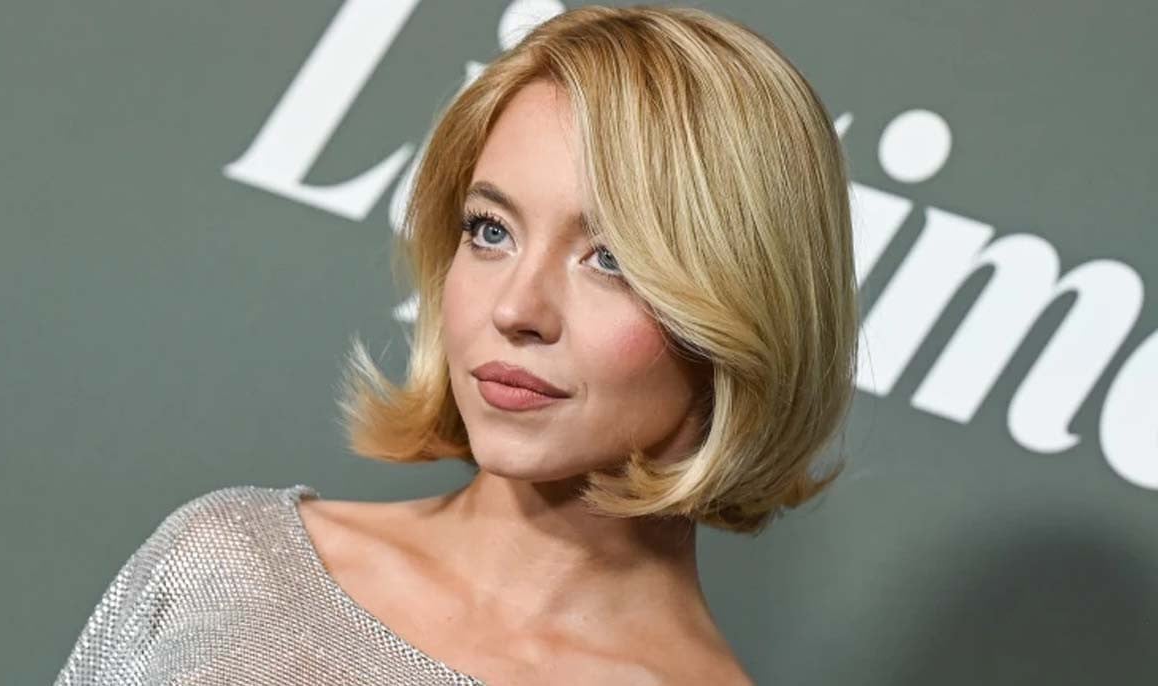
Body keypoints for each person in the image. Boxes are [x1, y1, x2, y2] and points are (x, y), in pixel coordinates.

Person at [54, 4, 856, 685]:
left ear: (746, 306)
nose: (516, 308)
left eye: (611, 259)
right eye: (491, 230)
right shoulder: (231, 568)